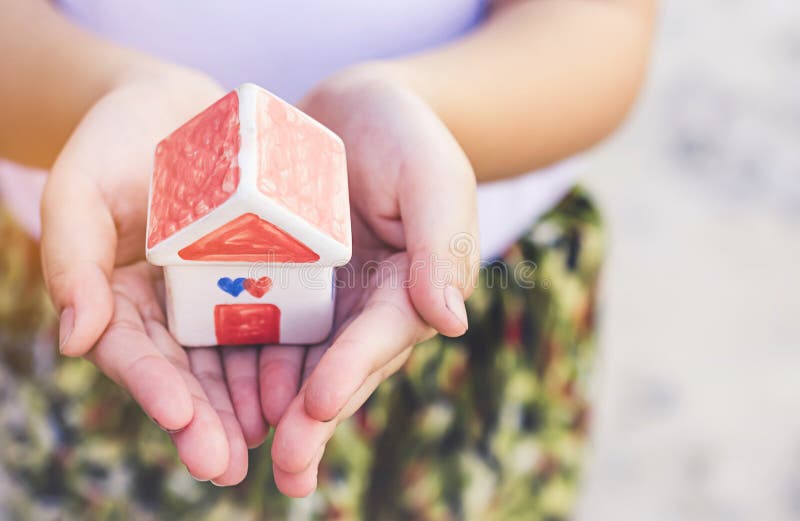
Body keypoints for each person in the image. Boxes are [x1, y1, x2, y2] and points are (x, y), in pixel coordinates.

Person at [0, 0, 654, 518]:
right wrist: (108, 92)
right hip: (99, 261)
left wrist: (422, 106)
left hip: (445, 269)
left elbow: (603, 20)